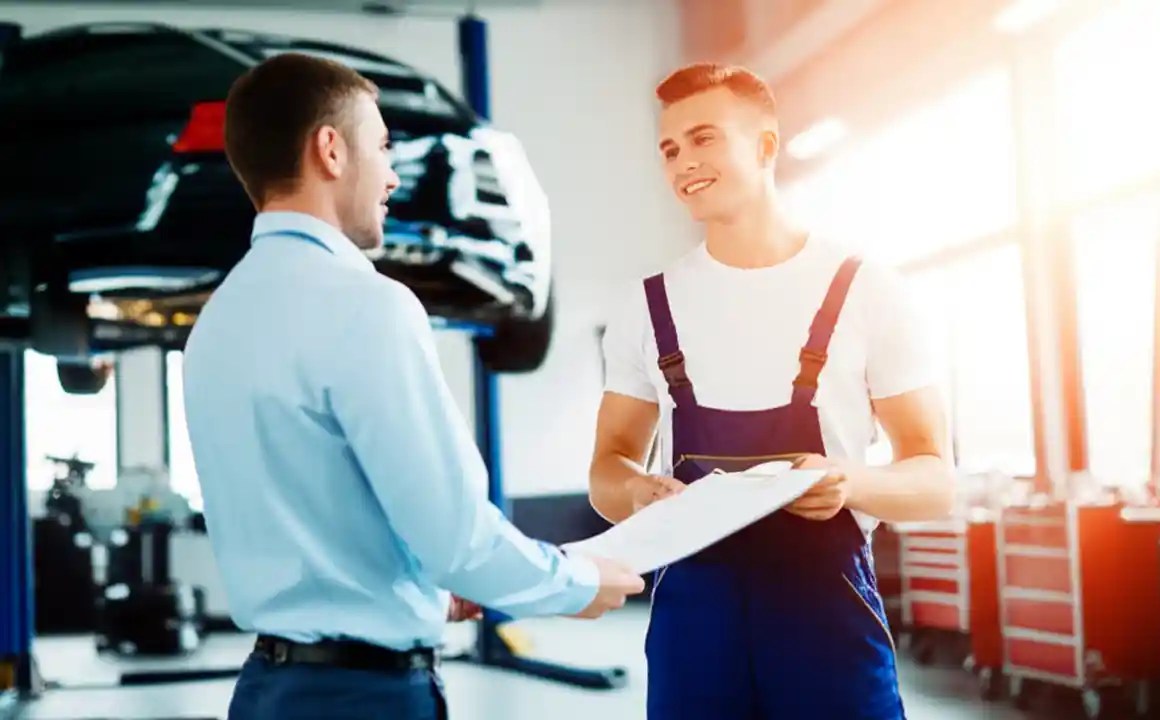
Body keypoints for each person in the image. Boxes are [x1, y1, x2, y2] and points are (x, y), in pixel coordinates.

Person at [182, 53, 644, 720]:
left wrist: (417, 592)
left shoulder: (218, 320)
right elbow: (456, 539)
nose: (394, 175)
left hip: (267, 691)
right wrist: (578, 583)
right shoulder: (364, 303)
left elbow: (318, 510)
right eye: (383, 147)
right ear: (331, 150)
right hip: (363, 699)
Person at [589, 63, 956, 719]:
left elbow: (935, 480)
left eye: (703, 139)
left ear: (764, 146)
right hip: (693, 627)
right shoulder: (648, 306)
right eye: (669, 150)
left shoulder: (867, 289)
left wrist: (849, 480)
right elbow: (607, 468)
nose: (683, 164)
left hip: (827, 620)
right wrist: (637, 493)